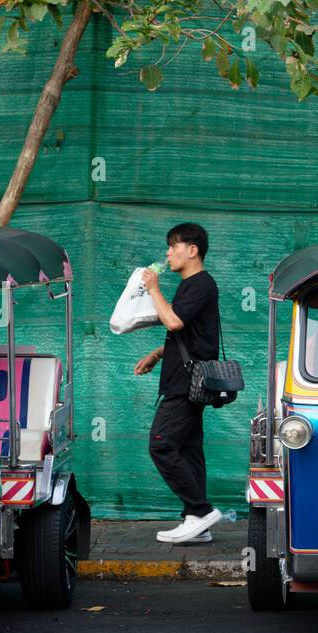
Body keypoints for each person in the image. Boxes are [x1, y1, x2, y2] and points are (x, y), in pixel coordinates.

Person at [134, 223, 222, 545]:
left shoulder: (200, 283)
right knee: (188, 448)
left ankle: (201, 510)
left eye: (174, 246)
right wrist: (158, 354)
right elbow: (189, 334)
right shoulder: (191, 285)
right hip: (183, 378)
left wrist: (153, 288)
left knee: (161, 443)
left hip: (186, 384)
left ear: (192, 250)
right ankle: (197, 522)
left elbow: (172, 320)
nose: (168, 253)